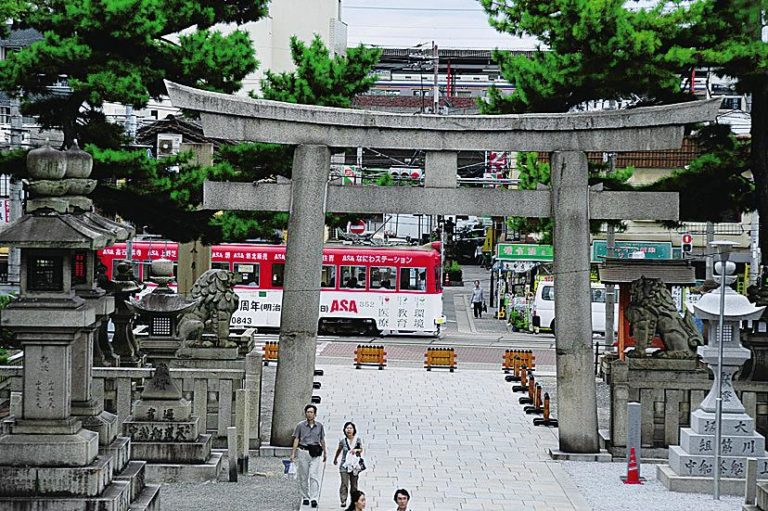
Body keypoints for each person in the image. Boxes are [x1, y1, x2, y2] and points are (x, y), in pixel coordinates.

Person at [290, 404, 327, 508]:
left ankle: (314, 497)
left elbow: (322, 439)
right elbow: (296, 439)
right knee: (303, 475)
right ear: (305, 413)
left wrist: (325, 452)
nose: (309, 414)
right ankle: (305, 496)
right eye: (308, 412)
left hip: (315, 452)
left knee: (313, 475)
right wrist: (293, 453)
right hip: (303, 451)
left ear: (315, 414)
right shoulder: (300, 425)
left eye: (311, 412)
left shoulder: (319, 426)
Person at [333, 422, 364, 508]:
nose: (349, 430)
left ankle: (354, 500)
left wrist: (356, 450)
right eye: (347, 428)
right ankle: (343, 500)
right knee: (344, 483)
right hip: (344, 465)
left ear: (354, 430)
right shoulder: (343, 441)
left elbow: (361, 449)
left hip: (354, 466)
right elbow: (339, 450)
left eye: (350, 428)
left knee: (354, 484)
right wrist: (335, 459)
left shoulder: (357, 440)